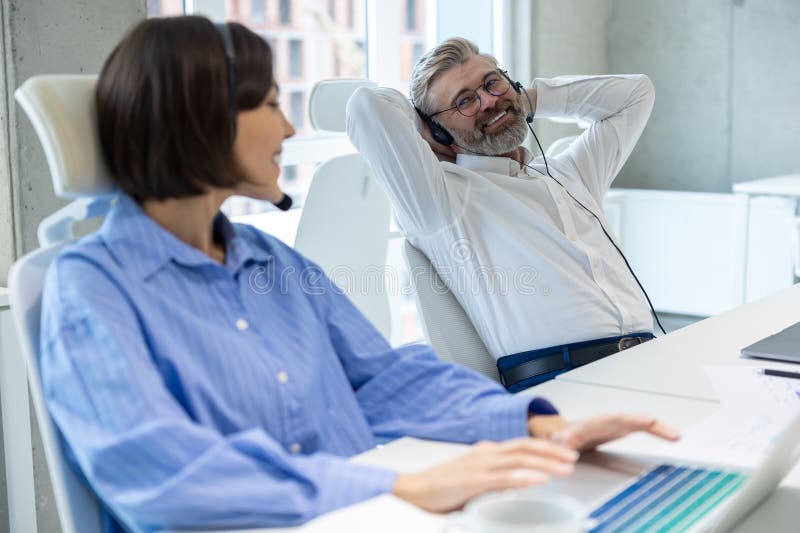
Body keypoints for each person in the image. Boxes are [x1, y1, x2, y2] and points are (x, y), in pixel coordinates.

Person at [38, 17, 679, 533]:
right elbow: (161, 474)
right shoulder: (91, 286)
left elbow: (388, 378)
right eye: (268, 104)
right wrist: (401, 485)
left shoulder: (273, 264)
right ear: (199, 121)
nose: (288, 127)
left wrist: (541, 424)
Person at [347, 38, 660, 392]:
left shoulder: (570, 172)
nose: (488, 100)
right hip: (562, 388)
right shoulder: (441, 200)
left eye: (491, 82)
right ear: (435, 130)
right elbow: (367, 106)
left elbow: (636, 94)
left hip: (650, 363)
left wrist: (525, 98)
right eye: (464, 101)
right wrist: (424, 129)